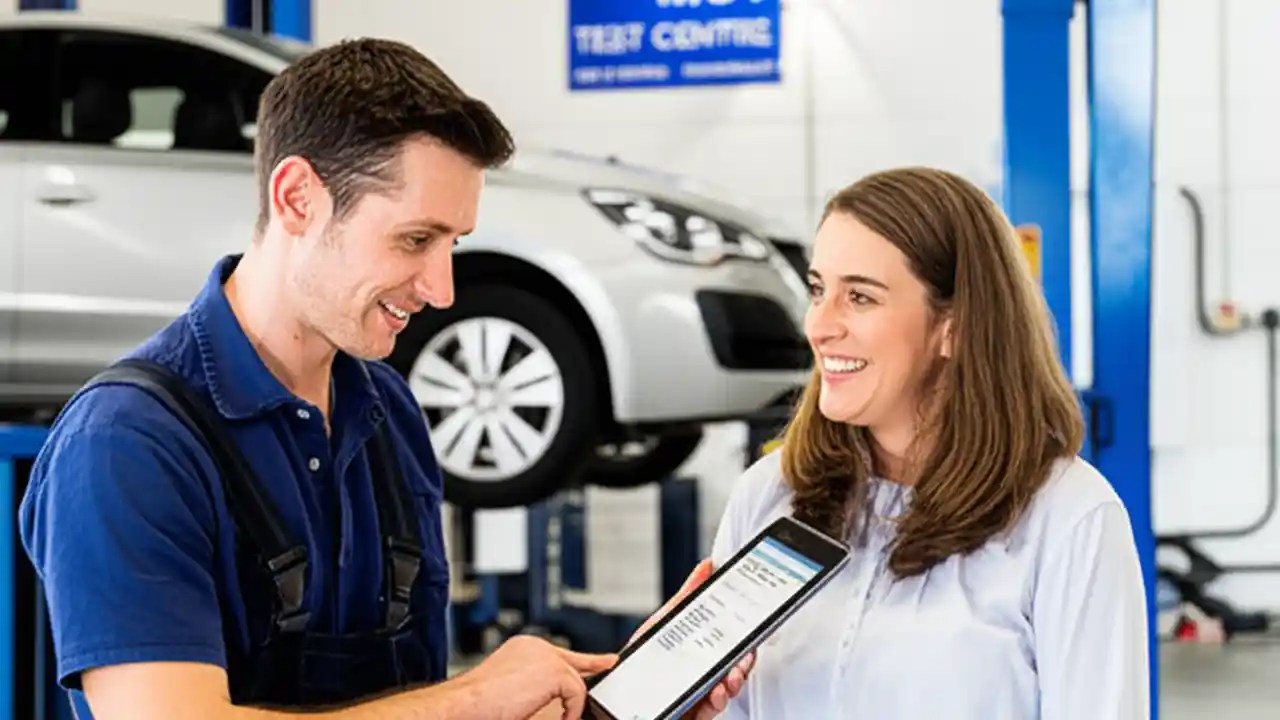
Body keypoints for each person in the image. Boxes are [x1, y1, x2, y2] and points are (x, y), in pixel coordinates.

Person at [18, 38, 741, 720]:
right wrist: (475, 698)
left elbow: (403, 704)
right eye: (415, 240)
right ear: (298, 198)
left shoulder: (386, 409)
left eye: (453, 244)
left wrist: (586, 696)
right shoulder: (127, 444)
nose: (444, 288)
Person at [706, 167, 1150, 718]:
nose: (818, 325)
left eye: (860, 297)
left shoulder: (1067, 518)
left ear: (954, 326)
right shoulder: (769, 498)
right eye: (818, 289)